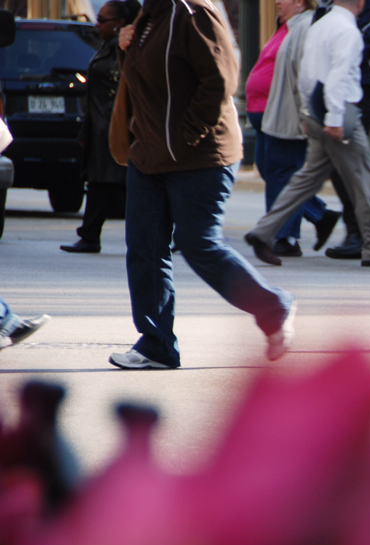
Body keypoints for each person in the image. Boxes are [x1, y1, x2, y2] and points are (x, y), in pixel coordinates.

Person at [109, 0, 296, 370]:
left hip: (199, 156)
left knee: (200, 245)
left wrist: (188, 135)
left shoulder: (192, 12)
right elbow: (143, 82)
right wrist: (123, 47)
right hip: (149, 155)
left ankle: (273, 308)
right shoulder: (149, 14)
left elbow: (221, 79)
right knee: (144, 249)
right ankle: (156, 345)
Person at [243, 0, 370, 268]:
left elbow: (307, 75)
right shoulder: (349, 32)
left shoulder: (319, 26)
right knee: (364, 179)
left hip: (316, 113)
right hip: (340, 114)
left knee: (306, 179)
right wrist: (334, 118)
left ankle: (263, 231)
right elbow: (338, 78)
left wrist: (308, 113)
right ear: (358, 3)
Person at [246, 0, 341, 257]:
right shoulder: (285, 27)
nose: (277, 1)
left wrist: (304, 114)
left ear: (300, 2)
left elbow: (305, 73)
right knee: (272, 170)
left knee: (283, 172)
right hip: (269, 114)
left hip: (284, 113)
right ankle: (320, 215)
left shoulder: (305, 25)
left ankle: (284, 237)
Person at [319, 0, 370, 260]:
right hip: (344, 87)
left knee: (345, 156)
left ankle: (362, 234)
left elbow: (367, 36)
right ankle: (366, 234)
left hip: (368, 86)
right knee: (338, 158)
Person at [60, 0, 137, 254]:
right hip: (100, 127)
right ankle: (90, 235)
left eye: (103, 20)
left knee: (123, 184)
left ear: (119, 24)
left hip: (116, 129)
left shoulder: (125, 49)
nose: (98, 24)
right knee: (100, 184)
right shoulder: (106, 48)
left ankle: (173, 233)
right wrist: (87, 130)